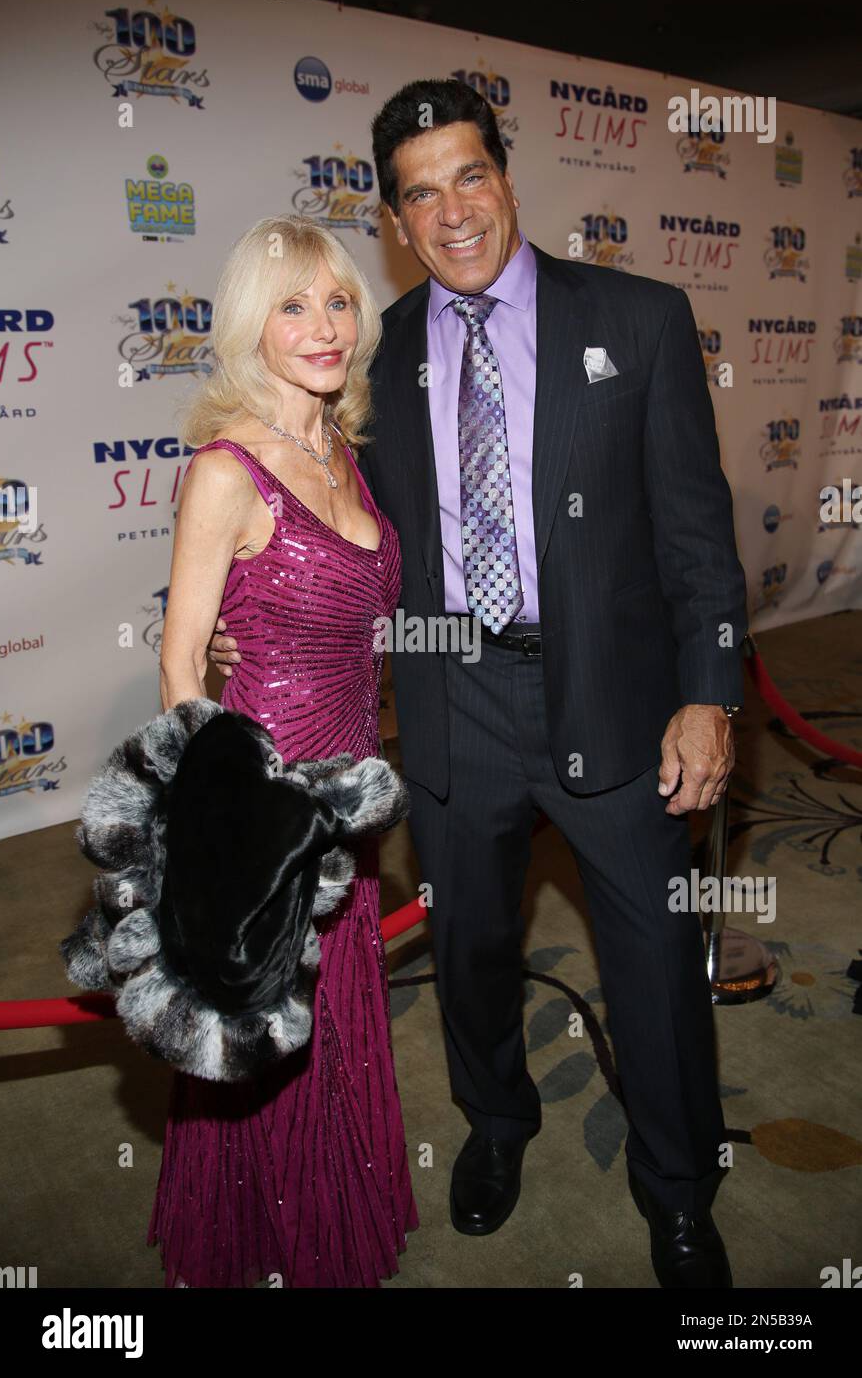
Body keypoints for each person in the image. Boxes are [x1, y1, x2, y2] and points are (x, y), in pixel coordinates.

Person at [210, 79, 749, 1289]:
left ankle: (677, 1188)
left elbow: (698, 542)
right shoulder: (373, 362)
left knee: (656, 968)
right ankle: (499, 1128)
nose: (452, 211)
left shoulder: (642, 317)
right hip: (457, 704)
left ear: (507, 175)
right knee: (472, 953)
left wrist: (710, 693)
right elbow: (299, 501)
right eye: (419, 195)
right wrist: (237, 626)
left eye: (469, 175)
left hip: (621, 703)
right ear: (395, 222)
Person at [154, 213, 418, 1288]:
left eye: (339, 300)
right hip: (272, 814)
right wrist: (233, 829)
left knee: (339, 1028)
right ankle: (262, 1247)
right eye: (292, 304)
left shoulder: (345, 452)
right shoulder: (226, 471)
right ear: (250, 327)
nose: (322, 326)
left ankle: (332, 1226)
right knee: (270, 1036)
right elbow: (179, 672)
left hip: (350, 796)